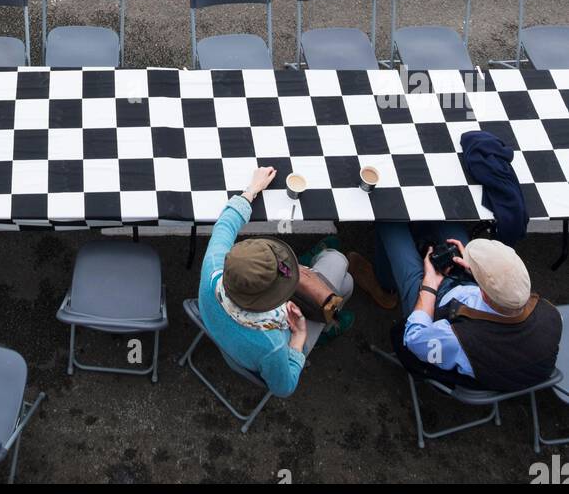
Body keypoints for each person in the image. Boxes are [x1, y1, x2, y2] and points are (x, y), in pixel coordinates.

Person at [198, 166, 354, 398]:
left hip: (217, 326)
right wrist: (299, 338)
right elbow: (284, 387)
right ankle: (325, 317)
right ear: (271, 297)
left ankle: (317, 272)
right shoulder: (273, 345)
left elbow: (225, 224)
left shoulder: (213, 266)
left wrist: (252, 190)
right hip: (266, 348)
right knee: (343, 274)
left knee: (341, 277)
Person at [361, 227, 560, 393]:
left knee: (390, 226)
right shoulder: (551, 315)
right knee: (449, 223)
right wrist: (475, 271)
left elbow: (414, 339)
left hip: (437, 307)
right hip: (475, 312)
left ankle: (385, 280)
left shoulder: (458, 339)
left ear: (484, 294)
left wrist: (429, 283)